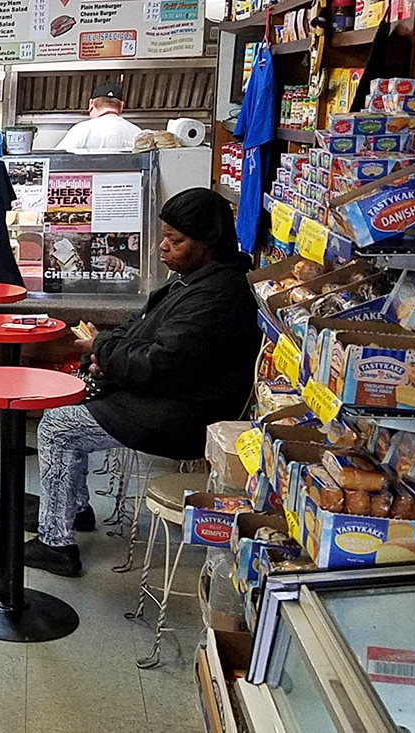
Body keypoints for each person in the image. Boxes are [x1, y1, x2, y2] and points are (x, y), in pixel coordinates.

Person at [24, 187, 261, 577]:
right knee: (67, 406)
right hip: (166, 396)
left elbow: (159, 363)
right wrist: (105, 354)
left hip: (182, 414)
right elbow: (142, 328)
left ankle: (56, 543)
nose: (164, 248)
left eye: (176, 240)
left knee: (58, 427)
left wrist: (104, 348)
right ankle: (73, 509)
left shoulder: (218, 296)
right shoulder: (195, 280)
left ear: (208, 242)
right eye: (165, 237)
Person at [55, 81, 141, 152]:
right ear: (122, 106)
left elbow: (56, 160)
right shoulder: (137, 133)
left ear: (91, 104)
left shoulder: (81, 130)